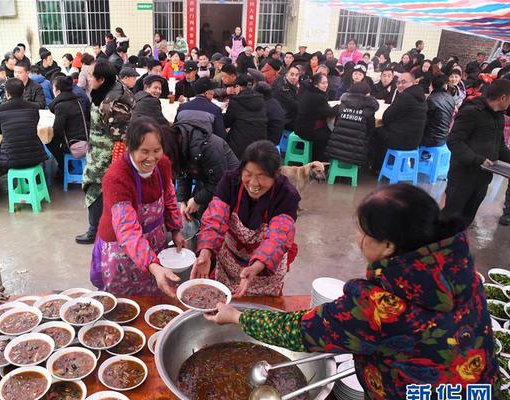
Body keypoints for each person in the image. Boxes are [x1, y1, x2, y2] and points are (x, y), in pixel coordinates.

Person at [206, 184, 497, 398]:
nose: (356, 238)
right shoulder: (460, 271)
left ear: (387, 246)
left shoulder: (378, 307)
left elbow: (299, 330)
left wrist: (236, 317)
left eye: (362, 231)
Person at [88, 116, 184, 296]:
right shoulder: (117, 177)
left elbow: (169, 196)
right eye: (144, 151)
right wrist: (153, 265)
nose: (151, 158)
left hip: (155, 241)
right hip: (122, 248)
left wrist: (175, 229)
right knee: (125, 303)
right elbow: (127, 231)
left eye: (157, 150)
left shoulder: (163, 164)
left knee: (154, 297)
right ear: (130, 149)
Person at [191, 140, 300, 296]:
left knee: (257, 312)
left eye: (261, 176)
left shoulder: (286, 194)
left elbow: (278, 237)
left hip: (263, 270)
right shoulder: (230, 181)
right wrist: (205, 252)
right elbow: (215, 218)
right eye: (248, 174)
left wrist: (256, 266)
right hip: (229, 263)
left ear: (276, 173)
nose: (253, 183)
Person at [78, 62, 135, 244]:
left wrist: (116, 163)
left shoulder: (113, 102)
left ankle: (95, 230)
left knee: (94, 186)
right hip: (98, 147)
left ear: (102, 80)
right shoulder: (112, 86)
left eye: (91, 76)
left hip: (106, 153)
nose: (88, 79)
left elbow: (122, 136)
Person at [441, 79, 510, 228]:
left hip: (483, 177)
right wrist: (477, 160)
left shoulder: (498, 116)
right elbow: (454, 141)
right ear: (503, 97)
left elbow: (500, 146)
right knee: (450, 216)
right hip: (463, 176)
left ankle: (457, 244)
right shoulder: (472, 111)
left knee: (467, 216)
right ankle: (439, 246)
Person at [168, 111, 239, 222]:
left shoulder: (208, 146)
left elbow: (220, 181)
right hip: (206, 181)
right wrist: (182, 200)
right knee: (192, 214)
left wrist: (197, 200)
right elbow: (182, 173)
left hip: (231, 185)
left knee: (212, 221)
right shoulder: (180, 147)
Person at [372, 71, 427, 168]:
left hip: (401, 141)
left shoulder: (405, 96)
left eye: (404, 82)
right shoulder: (421, 97)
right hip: (415, 141)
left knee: (375, 131)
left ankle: (377, 166)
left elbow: (386, 117)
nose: (400, 85)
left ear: (413, 82)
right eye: (398, 82)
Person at [0, 78, 45, 169]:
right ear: (24, 91)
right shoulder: (34, 107)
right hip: (35, 156)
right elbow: (33, 125)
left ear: (7, 93)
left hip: (10, 158)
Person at [326, 81, 379, 167]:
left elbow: (336, 125)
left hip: (335, 148)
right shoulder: (369, 109)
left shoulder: (342, 105)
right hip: (357, 152)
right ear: (367, 94)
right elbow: (370, 130)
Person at [48, 75, 89, 171]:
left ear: (58, 91)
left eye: (53, 88)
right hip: (84, 138)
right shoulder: (77, 100)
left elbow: (57, 130)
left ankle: (64, 168)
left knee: (50, 142)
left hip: (73, 143)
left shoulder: (61, 106)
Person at [224, 74, 267, 158]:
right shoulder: (261, 100)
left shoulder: (236, 101)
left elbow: (227, 122)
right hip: (260, 141)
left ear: (238, 87)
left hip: (240, 144)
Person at [295, 73, 337, 161]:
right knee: (330, 136)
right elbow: (330, 112)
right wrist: (338, 107)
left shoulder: (309, 91)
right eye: (323, 83)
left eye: (326, 82)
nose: (326, 85)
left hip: (300, 126)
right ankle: (320, 162)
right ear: (316, 85)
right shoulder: (318, 97)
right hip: (306, 129)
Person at [421, 74, 456, 148]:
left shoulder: (431, 99)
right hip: (444, 138)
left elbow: (424, 120)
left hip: (430, 138)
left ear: (432, 86)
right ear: (445, 86)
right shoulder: (451, 99)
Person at [272, 65, 300, 132]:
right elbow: (293, 104)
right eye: (292, 74)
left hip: (287, 115)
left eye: (296, 75)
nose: (294, 77)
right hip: (284, 119)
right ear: (287, 75)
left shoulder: (290, 85)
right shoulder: (283, 88)